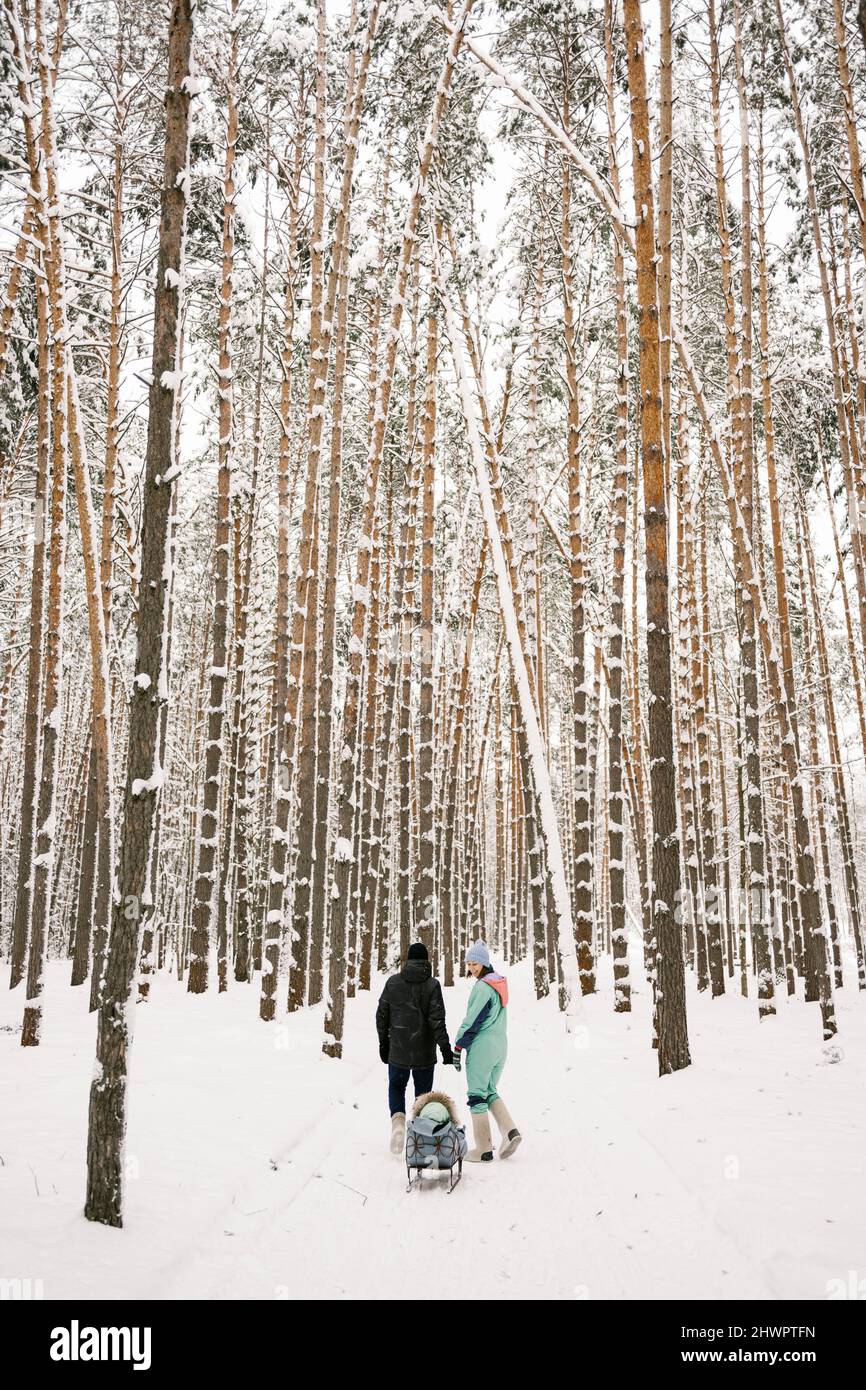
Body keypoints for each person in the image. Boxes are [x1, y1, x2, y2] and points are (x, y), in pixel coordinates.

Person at [376, 943, 454, 1154]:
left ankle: (398, 1125)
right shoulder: (432, 985)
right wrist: (445, 1049)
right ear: (426, 961)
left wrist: (384, 1044)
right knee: (423, 1096)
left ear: (407, 961)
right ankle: (420, 1139)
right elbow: (438, 1021)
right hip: (424, 1055)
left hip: (398, 1052)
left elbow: (381, 1016)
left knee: (396, 1087)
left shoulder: (392, 983)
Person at [453, 940, 521, 1162]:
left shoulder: (483, 987)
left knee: (476, 1095)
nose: (472, 968)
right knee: (489, 1090)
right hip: (500, 1046)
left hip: (483, 1048)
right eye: (469, 963)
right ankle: (510, 1132)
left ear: (484, 963)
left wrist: (458, 1045)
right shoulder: (498, 984)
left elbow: (473, 1020)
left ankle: (483, 1149)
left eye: (475, 963)